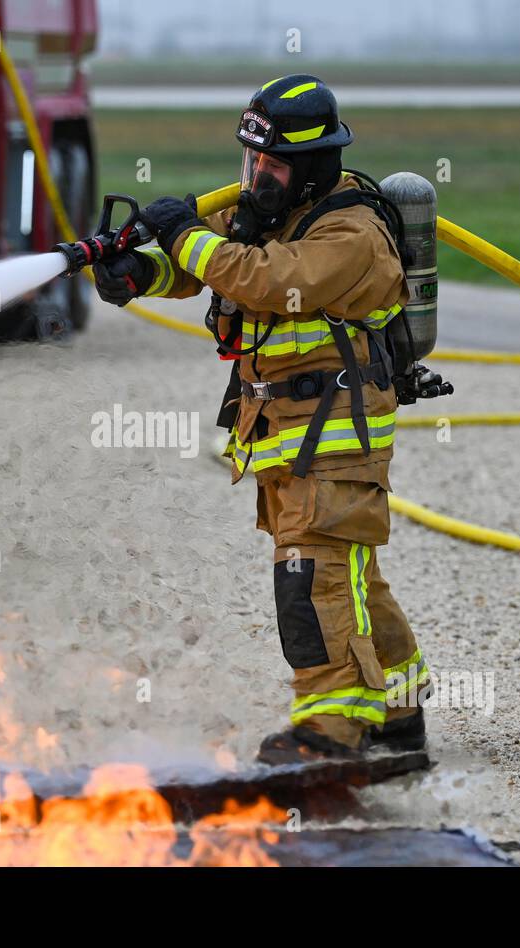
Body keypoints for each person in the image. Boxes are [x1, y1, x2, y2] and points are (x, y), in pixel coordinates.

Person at [92, 75, 429, 763]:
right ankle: (399, 709)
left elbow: (267, 279)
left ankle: (330, 728)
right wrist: (141, 273)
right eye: (252, 162)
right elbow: (207, 267)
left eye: (272, 165)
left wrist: (182, 234)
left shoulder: (350, 231)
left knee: (311, 574)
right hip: (285, 433)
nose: (257, 178)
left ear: (311, 167)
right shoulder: (275, 212)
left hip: (335, 434)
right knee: (348, 571)